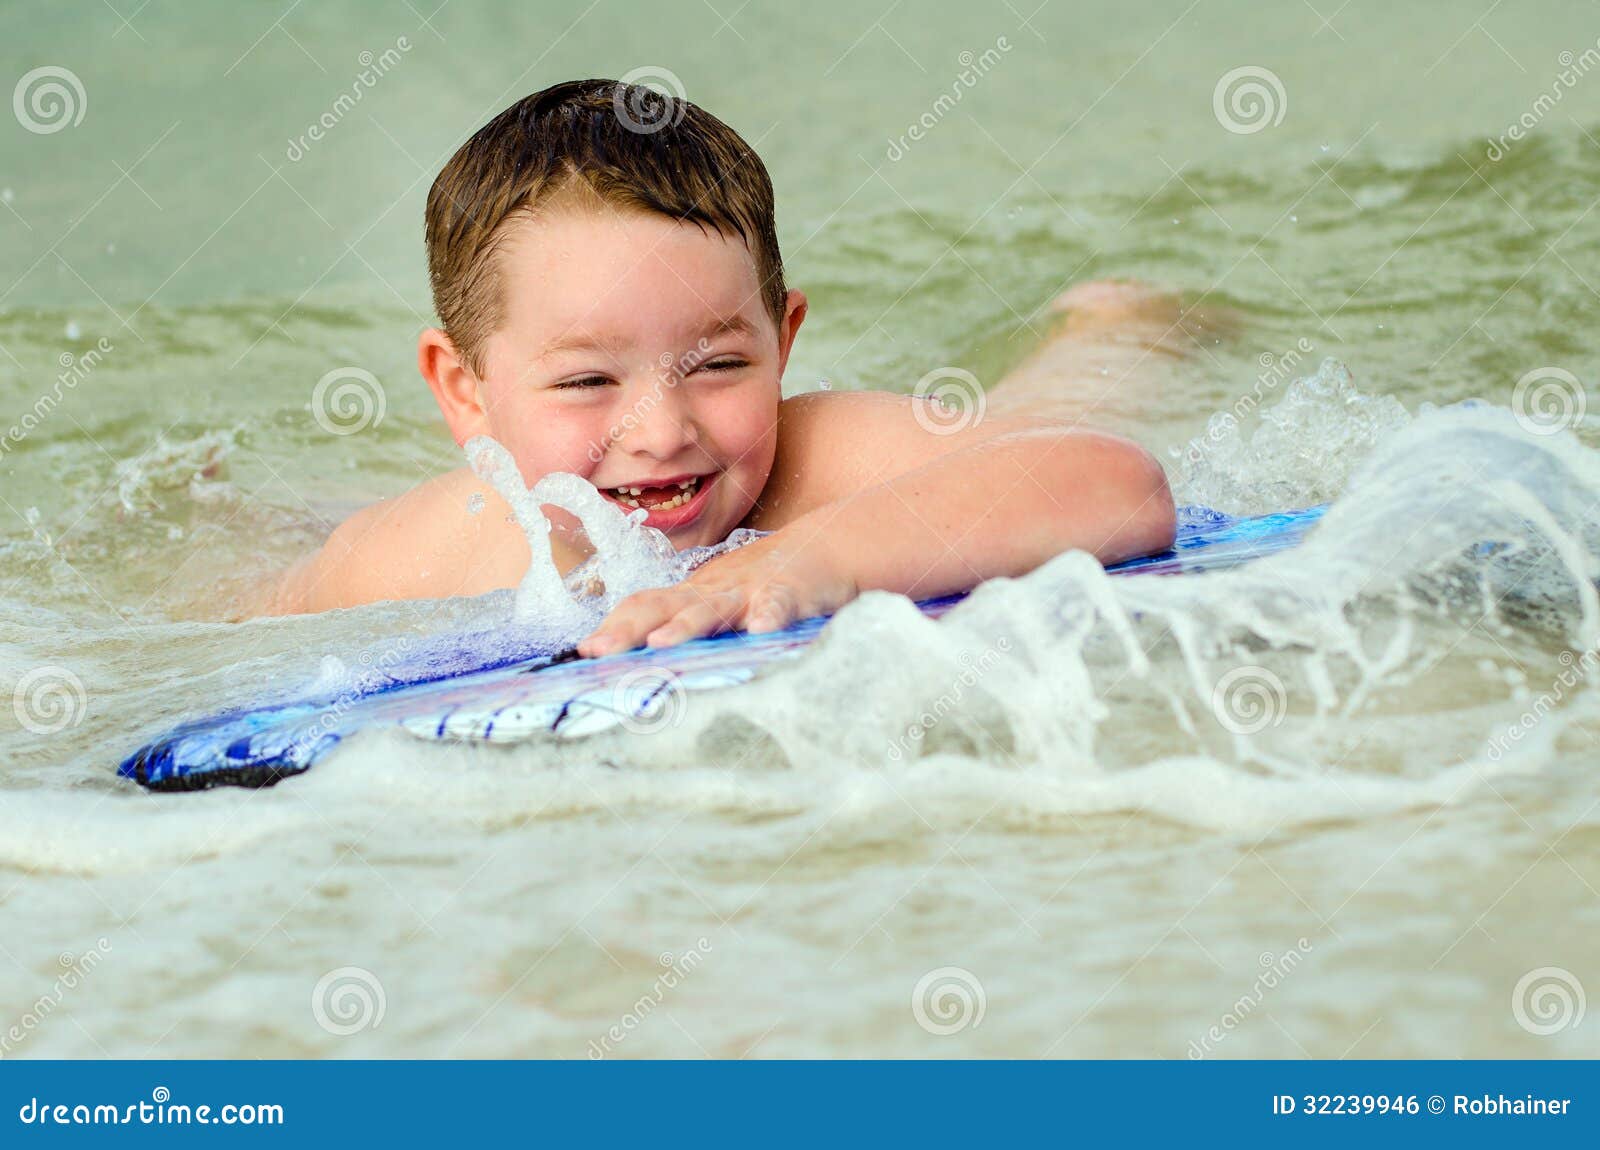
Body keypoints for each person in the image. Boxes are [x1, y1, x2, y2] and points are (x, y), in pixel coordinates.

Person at [269, 79, 1178, 657]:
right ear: (463, 391)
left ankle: (1115, 321)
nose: (664, 432)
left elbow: (1118, 484)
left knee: (1055, 392)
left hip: (920, 469)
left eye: (719, 364)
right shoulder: (412, 555)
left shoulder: (816, 466)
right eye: (588, 381)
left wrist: (812, 556)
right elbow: (232, 628)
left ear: (783, 343)